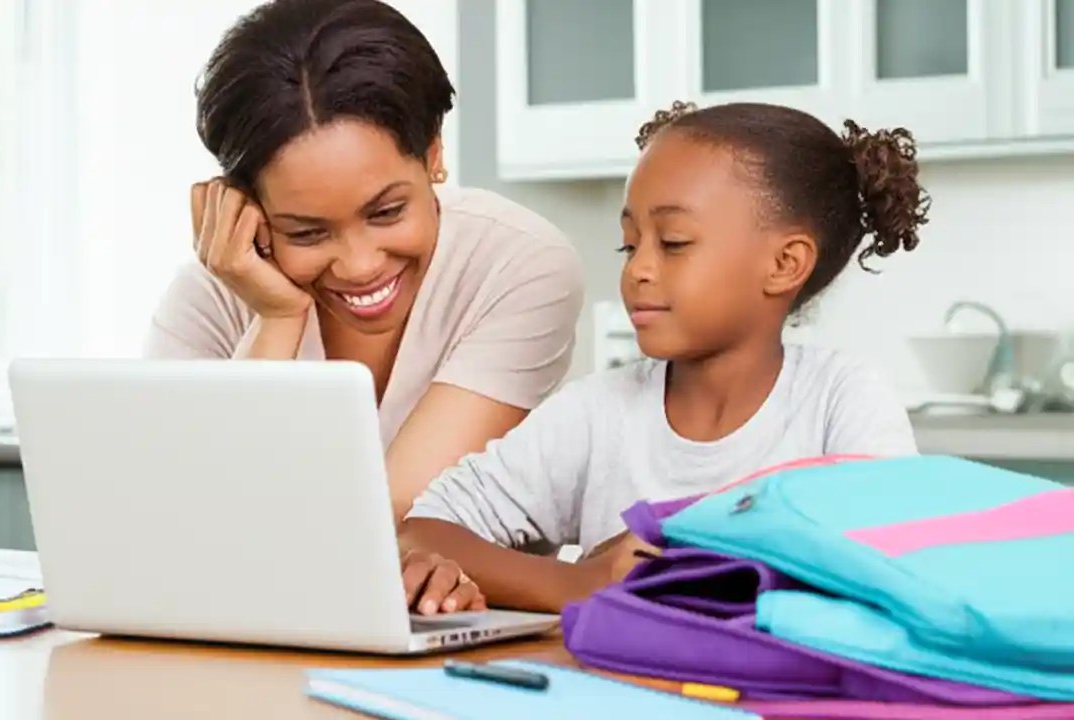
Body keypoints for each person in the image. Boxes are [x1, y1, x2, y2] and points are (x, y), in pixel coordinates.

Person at [397, 100, 931, 617]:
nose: (639, 271)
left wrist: (689, 564)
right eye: (630, 245)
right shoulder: (597, 411)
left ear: (785, 264)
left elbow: (888, 564)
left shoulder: (842, 398)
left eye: (673, 242)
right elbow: (426, 526)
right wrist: (578, 583)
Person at [143, 0, 584, 520]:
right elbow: (179, 516)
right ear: (248, 207)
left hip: (469, 604)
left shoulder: (518, 265)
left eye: (386, 212)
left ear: (434, 154)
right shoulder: (214, 292)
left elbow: (400, 514)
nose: (358, 265)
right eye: (306, 232)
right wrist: (276, 320)